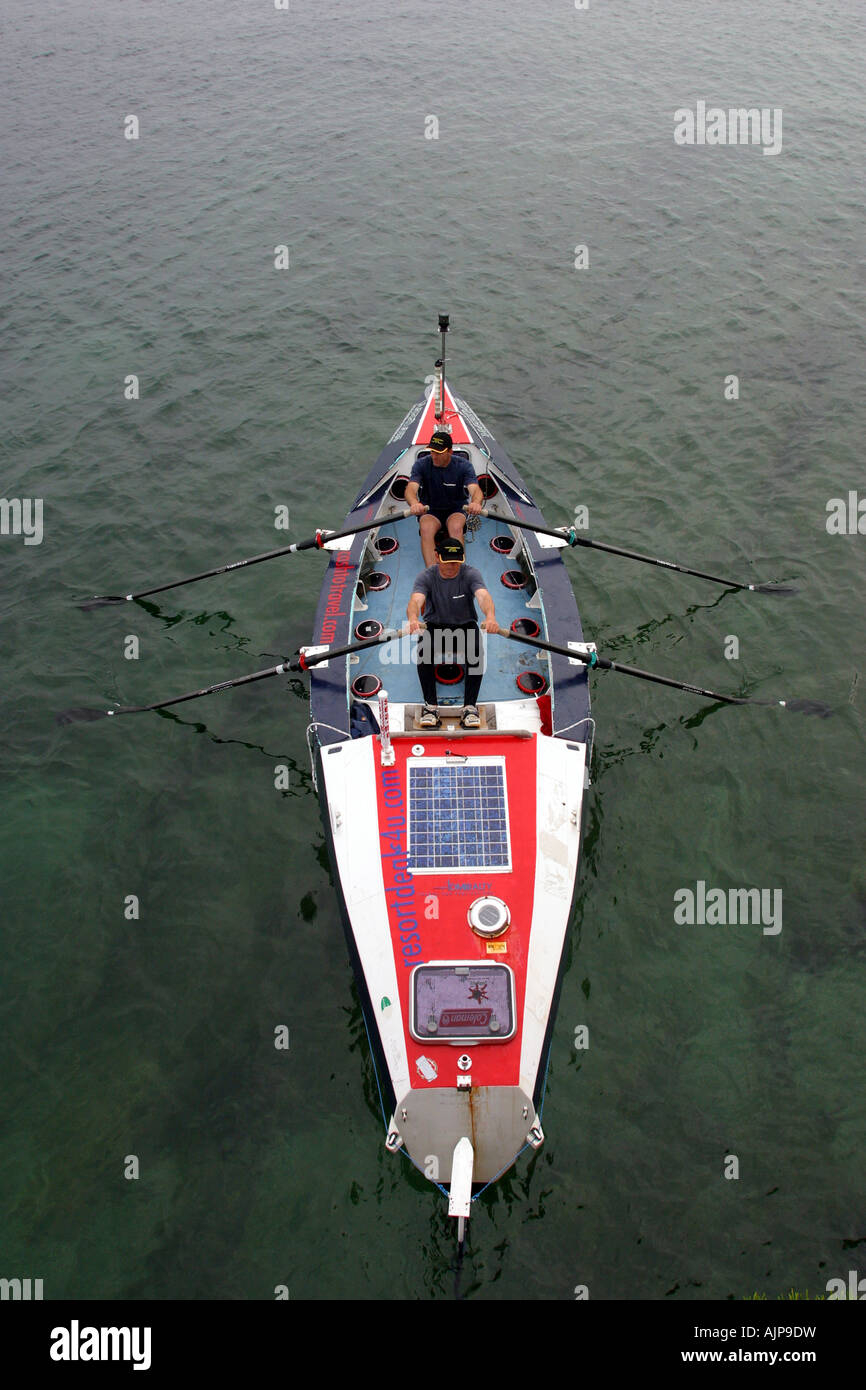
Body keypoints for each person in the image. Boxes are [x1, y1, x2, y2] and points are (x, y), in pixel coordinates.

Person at [406, 535, 498, 729]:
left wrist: (490, 617)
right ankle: (430, 707)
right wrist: (413, 619)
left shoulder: (471, 574)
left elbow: (483, 596)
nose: (452, 566)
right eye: (448, 562)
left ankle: (470, 708)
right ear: (437, 557)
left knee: (476, 652)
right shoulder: (426, 576)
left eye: (456, 562)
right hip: (435, 627)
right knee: (423, 653)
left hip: (465, 626)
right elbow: (415, 601)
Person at [405, 430, 484, 567]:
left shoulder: (464, 466)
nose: (434, 456)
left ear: (450, 452)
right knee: (425, 528)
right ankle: (432, 573)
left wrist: (476, 503)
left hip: (456, 509)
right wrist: (414, 503)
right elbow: (411, 489)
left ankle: (456, 571)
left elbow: (475, 489)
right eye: (432, 452)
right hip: (430, 510)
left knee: (456, 527)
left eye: (438, 453)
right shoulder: (421, 464)